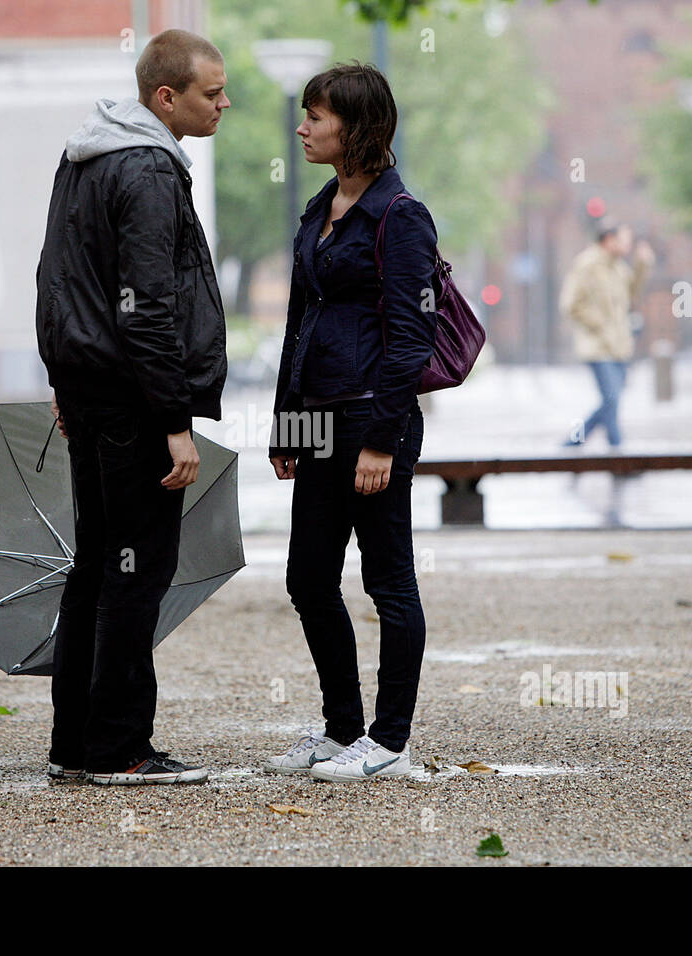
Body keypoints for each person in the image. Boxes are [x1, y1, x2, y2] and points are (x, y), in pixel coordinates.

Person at [34, 29, 229, 786]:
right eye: (212, 93)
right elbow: (148, 306)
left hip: (91, 390)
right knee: (136, 570)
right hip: (133, 400)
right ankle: (120, 748)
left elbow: (58, 278)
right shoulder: (148, 168)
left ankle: (74, 746)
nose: (223, 104)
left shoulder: (83, 156)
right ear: (165, 97)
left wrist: (64, 376)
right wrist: (175, 423)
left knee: (96, 564)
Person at [266, 63, 437, 783]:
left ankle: (389, 739)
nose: (302, 127)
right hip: (317, 419)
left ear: (357, 126)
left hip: (372, 420)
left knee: (387, 580)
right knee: (308, 576)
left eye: (317, 115)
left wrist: (380, 441)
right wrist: (285, 424)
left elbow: (411, 339)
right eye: (304, 113)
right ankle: (341, 730)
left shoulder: (400, 217)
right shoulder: (320, 206)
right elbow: (299, 316)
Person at [559, 222, 653, 448]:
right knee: (611, 399)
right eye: (624, 239)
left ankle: (575, 443)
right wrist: (600, 324)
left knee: (612, 402)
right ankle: (616, 452)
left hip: (620, 346)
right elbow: (570, 304)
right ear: (609, 240)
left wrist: (642, 265)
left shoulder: (619, 267)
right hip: (597, 346)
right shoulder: (587, 264)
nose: (628, 245)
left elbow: (632, 295)